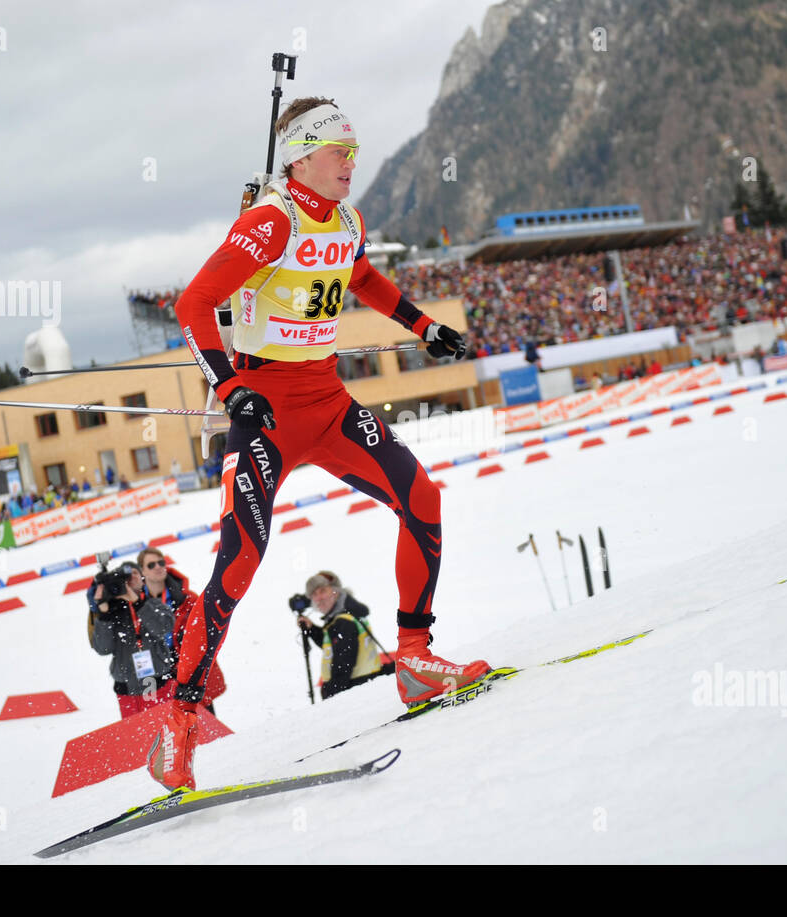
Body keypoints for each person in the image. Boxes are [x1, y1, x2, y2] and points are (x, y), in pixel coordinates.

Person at [149, 94, 491, 791]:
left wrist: (421, 326)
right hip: (265, 417)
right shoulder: (271, 220)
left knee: (421, 497)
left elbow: (358, 274)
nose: (352, 164)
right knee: (239, 566)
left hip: (328, 404)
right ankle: (176, 730)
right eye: (341, 151)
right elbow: (194, 305)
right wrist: (226, 386)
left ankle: (417, 659)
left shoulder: (347, 221)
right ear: (301, 156)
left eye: (357, 152)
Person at [136, 547, 225, 715]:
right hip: (157, 671)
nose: (158, 567)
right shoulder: (137, 602)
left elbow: (208, 631)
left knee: (205, 720)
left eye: (161, 562)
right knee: (168, 725)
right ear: (142, 571)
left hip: (188, 665)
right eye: (151, 565)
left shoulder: (187, 598)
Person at [88, 561, 178, 719]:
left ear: (143, 579)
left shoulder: (155, 604)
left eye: (134, 574)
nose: (130, 578)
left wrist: (137, 603)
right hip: (126, 687)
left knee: (164, 731)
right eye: (126, 577)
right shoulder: (112, 613)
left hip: (156, 681)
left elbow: (163, 628)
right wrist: (103, 613)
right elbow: (103, 649)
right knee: (137, 738)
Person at [293, 571, 395, 700]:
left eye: (323, 591)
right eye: (314, 594)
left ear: (335, 591)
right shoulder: (347, 615)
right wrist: (312, 629)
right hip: (365, 686)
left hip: (357, 693)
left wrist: (330, 695)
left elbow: (343, 666)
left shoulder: (344, 622)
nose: (319, 598)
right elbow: (333, 647)